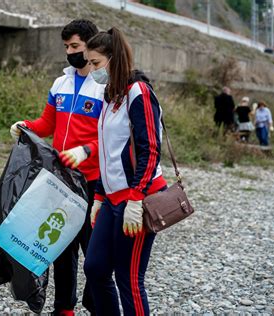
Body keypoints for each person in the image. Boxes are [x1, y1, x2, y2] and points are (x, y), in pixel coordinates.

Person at [10, 19, 103, 316]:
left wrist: (86, 151)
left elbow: (112, 137)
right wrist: (27, 127)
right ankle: (64, 309)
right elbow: (47, 124)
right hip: (60, 179)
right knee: (61, 248)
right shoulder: (60, 84)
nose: (70, 52)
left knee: (94, 256)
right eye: (66, 47)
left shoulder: (105, 87)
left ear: (91, 45)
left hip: (93, 181)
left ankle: (97, 301)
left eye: (75, 46)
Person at [83, 27, 168, 316]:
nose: (91, 70)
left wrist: (136, 198)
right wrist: (98, 195)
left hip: (138, 198)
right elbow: (108, 152)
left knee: (129, 279)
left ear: (113, 59)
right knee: (94, 267)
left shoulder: (138, 93)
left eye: (95, 63)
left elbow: (150, 149)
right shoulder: (110, 97)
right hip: (112, 198)